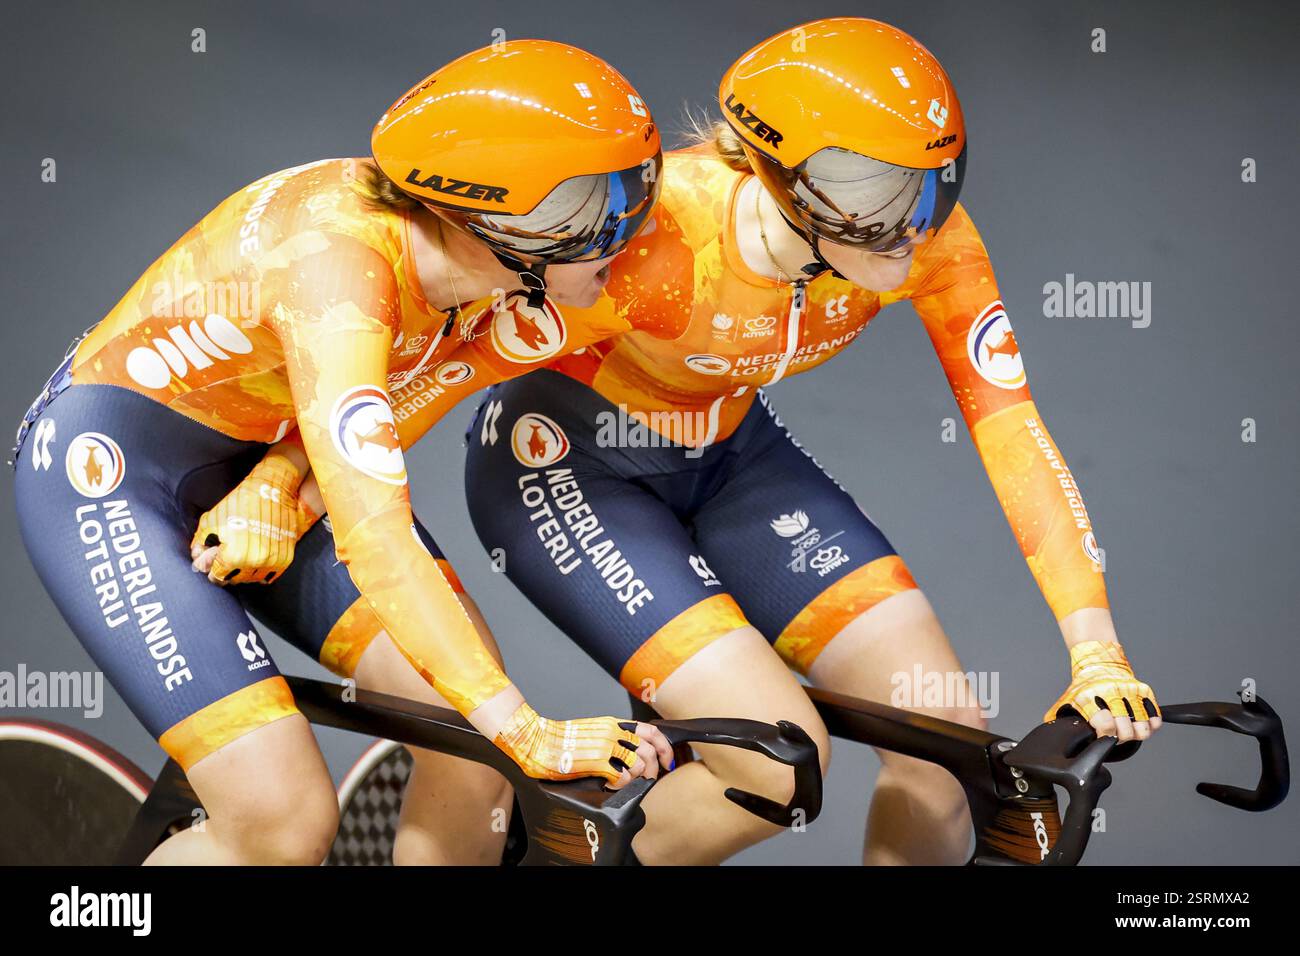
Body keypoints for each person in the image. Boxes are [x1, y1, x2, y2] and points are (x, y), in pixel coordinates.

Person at [196, 17, 1163, 865]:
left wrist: (1097, 652)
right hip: (569, 463)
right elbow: (445, 371)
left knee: (946, 741)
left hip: (733, 458)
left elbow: (1010, 425)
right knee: (774, 765)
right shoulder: (657, 248)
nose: (911, 226)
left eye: (929, 185)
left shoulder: (930, 246)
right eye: (873, 191)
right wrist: (282, 480)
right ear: (787, 174)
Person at [11, 39, 672, 866]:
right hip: (114, 470)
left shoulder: (477, 278)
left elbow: (394, 408)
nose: (625, 229)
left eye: (631, 191)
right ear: (490, 218)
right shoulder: (341, 275)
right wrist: (527, 728)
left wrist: (280, 481)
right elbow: (378, 534)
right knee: (281, 821)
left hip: (272, 450)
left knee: (475, 768)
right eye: (586, 208)